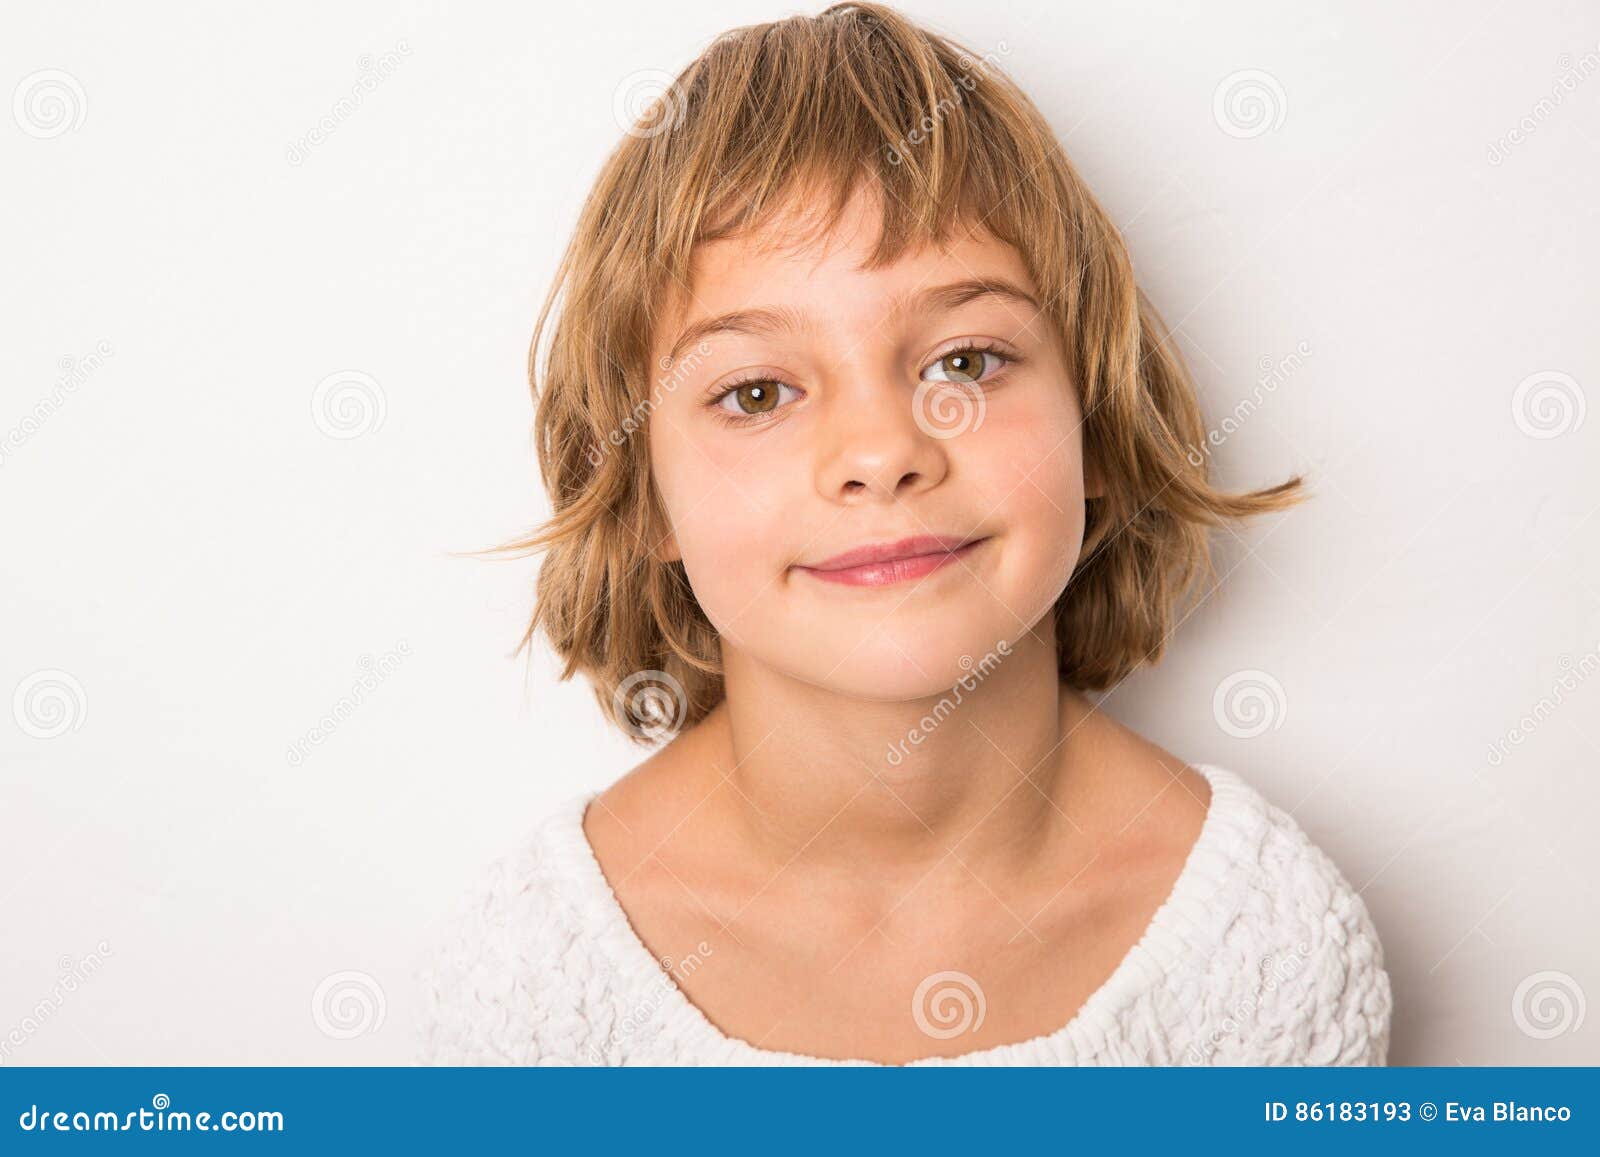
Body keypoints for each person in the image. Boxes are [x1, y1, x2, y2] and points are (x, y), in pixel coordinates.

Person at [419, 1, 1392, 1066]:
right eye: (755, 391)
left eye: (964, 361)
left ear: (1098, 420)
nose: (882, 450)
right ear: (641, 491)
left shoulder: (1258, 942)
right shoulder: (534, 979)